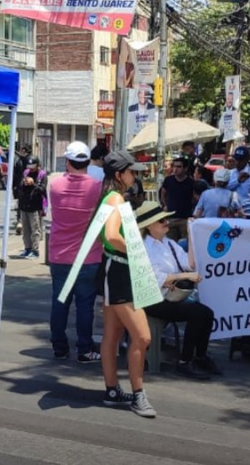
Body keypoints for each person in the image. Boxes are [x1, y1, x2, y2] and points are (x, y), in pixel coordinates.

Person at [96, 150, 157, 418]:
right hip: (119, 272)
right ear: (119, 174)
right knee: (142, 336)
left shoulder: (111, 196)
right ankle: (138, 394)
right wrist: (135, 249)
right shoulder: (116, 198)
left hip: (115, 270)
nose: (135, 176)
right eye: (131, 171)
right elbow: (111, 235)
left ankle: (112, 390)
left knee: (113, 334)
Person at [137, 202, 220, 379]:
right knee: (198, 313)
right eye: (161, 220)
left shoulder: (169, 244)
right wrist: (183, 276)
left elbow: (190, 264)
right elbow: (154, 278)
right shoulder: (143, 248)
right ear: (149, 225)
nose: (166, 222)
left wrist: (191, 235)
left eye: (166, 219)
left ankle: (199, 356)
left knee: (207, 313)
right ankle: (185, 361)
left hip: (169, 295)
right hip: (152, 299)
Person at [48, 141, 103, 363]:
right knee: (85, 305)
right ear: (88, 162)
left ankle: (59, 347)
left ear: (67, 162)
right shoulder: (97, 187)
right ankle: (84, 349)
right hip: (88, 256)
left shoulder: (54, 185)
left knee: (60, 303)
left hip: (60, 255)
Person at [17, 157, 47, 259]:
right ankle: (27, 248)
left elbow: (43, 189)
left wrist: (33, 183)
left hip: (35, 206)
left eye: (33, 167)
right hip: (24, 205)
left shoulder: (42, 175)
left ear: (38, 166)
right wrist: (24, 183)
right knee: (26, 230)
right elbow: (20, 186)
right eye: (29, 167)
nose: (31, 169)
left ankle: (35, 250)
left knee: (35, 230)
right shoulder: (25, 173)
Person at [159, 157, 195, 239]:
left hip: (185, 219)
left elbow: (194, 198)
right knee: (170, 242)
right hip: (171, 218)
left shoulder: (191, 182)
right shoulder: (168, 180)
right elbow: (163, 193)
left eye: (179, 167)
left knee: (185, 243)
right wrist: (165, 204)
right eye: (174, 166)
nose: (175, 169)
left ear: (185, 168)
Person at [227, 146, 250, 217]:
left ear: (247, 159)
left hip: (247, 212)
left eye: (241, 160)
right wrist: (237, 181)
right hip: (231, 212)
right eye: (236, 159)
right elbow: (225, 189)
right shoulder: (229, 173)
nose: (237, 162)